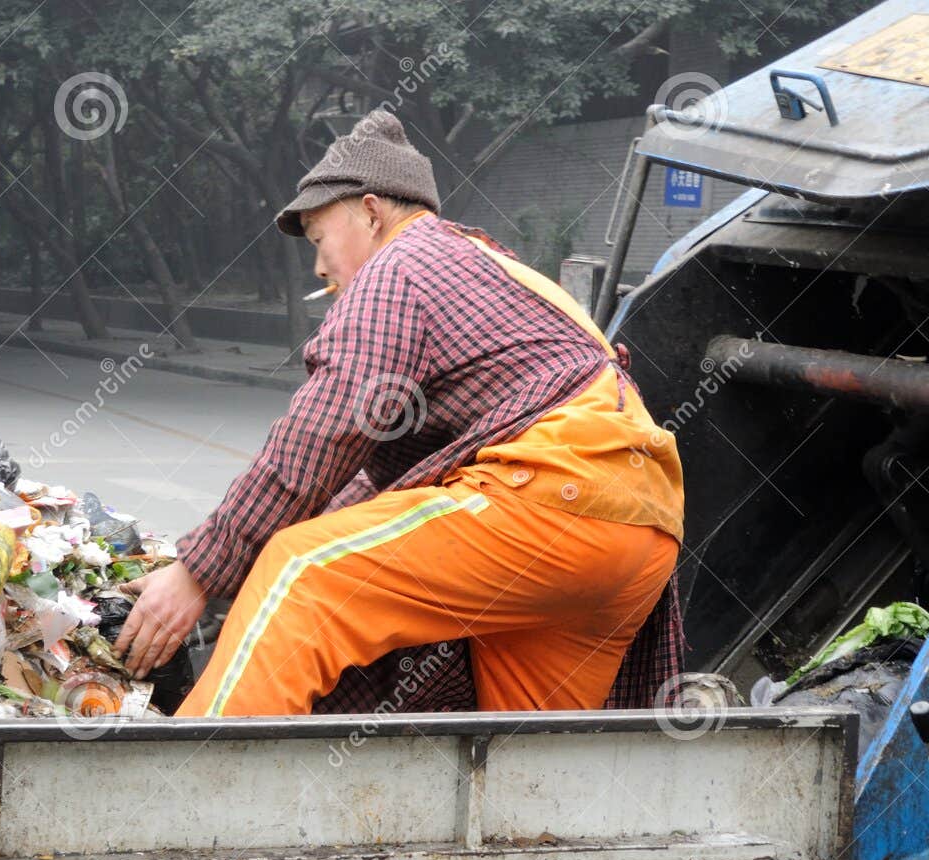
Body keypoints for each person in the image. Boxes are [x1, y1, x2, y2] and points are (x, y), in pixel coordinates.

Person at [115, 109, 684, 717]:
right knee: (522, 761)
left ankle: (186, 793)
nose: (318, 267)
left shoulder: (401, 267)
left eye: (318, 240)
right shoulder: (494, 267)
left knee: (302, 571)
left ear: (369, 210)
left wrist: (199, 573)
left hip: (549, 502)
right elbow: (372, 479)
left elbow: (318, 439)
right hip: (637, 539)